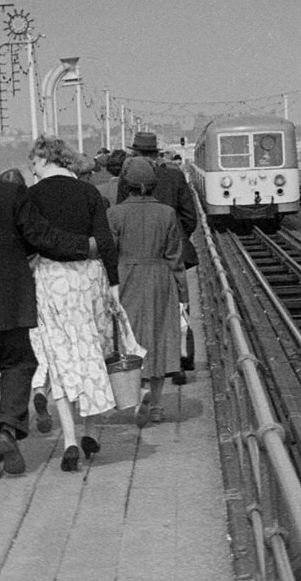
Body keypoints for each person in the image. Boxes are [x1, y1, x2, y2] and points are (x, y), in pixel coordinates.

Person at [0, 131, 95, 478]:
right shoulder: (11, 194)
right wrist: (85, 246)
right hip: (12, 300)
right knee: (20, 363)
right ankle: (8, 427)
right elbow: (42, 237)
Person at [24, 135, 120, 471]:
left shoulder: (32, 196)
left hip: (51, 281)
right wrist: (114, 284)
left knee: (59, 358)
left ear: (44, 157)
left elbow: (30, 241)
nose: (31, 168)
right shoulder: (89, 192)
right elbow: (105, 242)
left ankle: (68, 440)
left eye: (33, 162)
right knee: (92, 354)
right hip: (90, 280)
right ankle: (91, 430)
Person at [106, 157, 187, 426]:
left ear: (126, 184)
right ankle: (157, 405)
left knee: (132, 339)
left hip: (126, 277)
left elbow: (109, 254)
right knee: (159, 337)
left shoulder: (114, 214)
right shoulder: (166, 213)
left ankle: (136, 394)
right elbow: (175, 256)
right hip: (160, 278)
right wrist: (182, 293)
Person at [118, 131, 201, 383]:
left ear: (135, 153)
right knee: (176, 311)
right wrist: (174, 237)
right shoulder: (174, 175)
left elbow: (124, 213)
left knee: (138, 315)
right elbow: (190, 217)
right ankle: (178, 362)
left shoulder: (128, 179)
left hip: (134, 260)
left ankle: (144, 368)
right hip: (171, 254)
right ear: (155, 153)